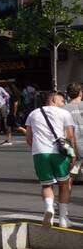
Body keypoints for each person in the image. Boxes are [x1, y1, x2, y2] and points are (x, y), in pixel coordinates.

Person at [26, 90, 76, 228]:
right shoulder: (65, 113)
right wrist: (72, 154)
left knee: (46, 184)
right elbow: (70, 136)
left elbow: (29, 136)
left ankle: (49, 208)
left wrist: (35, 148)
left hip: (40, 153)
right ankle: (63, 219)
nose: (63, 103)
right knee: (64, 184)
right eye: (61, 100)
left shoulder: (33, 113)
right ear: (53, 99)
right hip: (59, 153)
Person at [66, 82, 83, 180]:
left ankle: (66, 194)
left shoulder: (63, 109)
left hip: (72, 147)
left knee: (70, 176)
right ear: (80, 93)